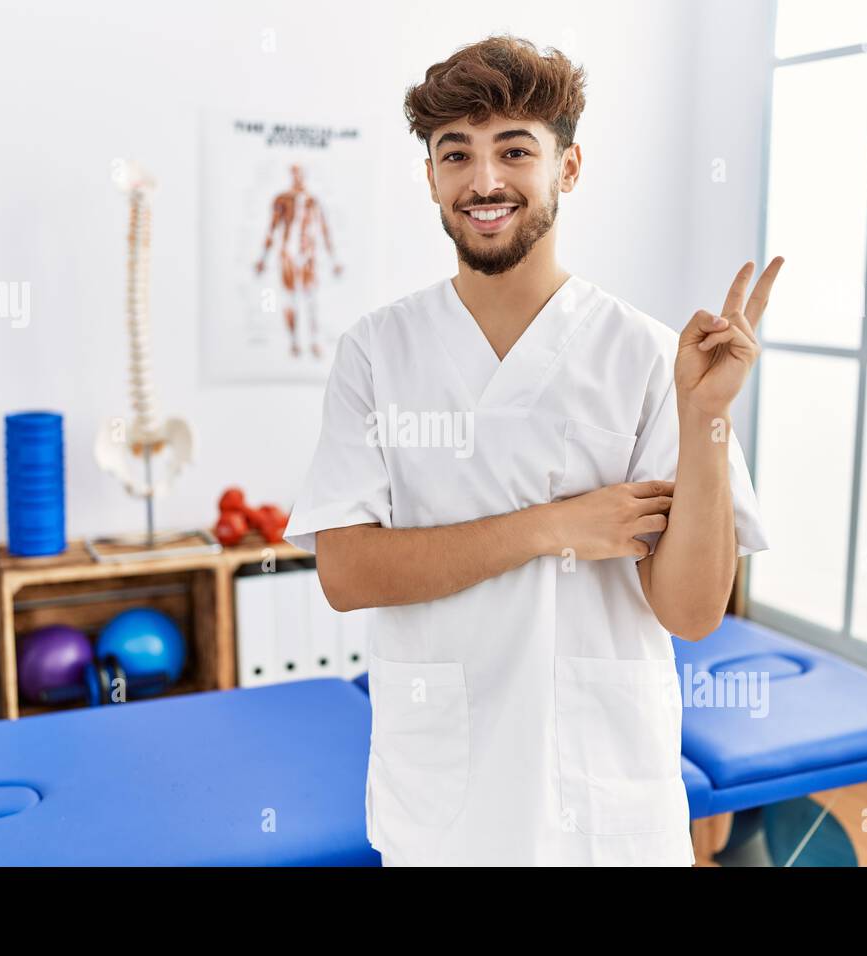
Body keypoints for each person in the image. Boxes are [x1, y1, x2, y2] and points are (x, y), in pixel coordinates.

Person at [283, 34, 783, 866]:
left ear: (569, 168)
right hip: (444, 802)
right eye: (457, 155)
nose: (484, 182)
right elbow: (347, 572)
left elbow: (692, 614)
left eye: (514, 151)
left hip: (606, 796)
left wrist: (706, 420)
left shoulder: (650, 356)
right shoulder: (377, 352)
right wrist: (555, 526)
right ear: (433, 175)